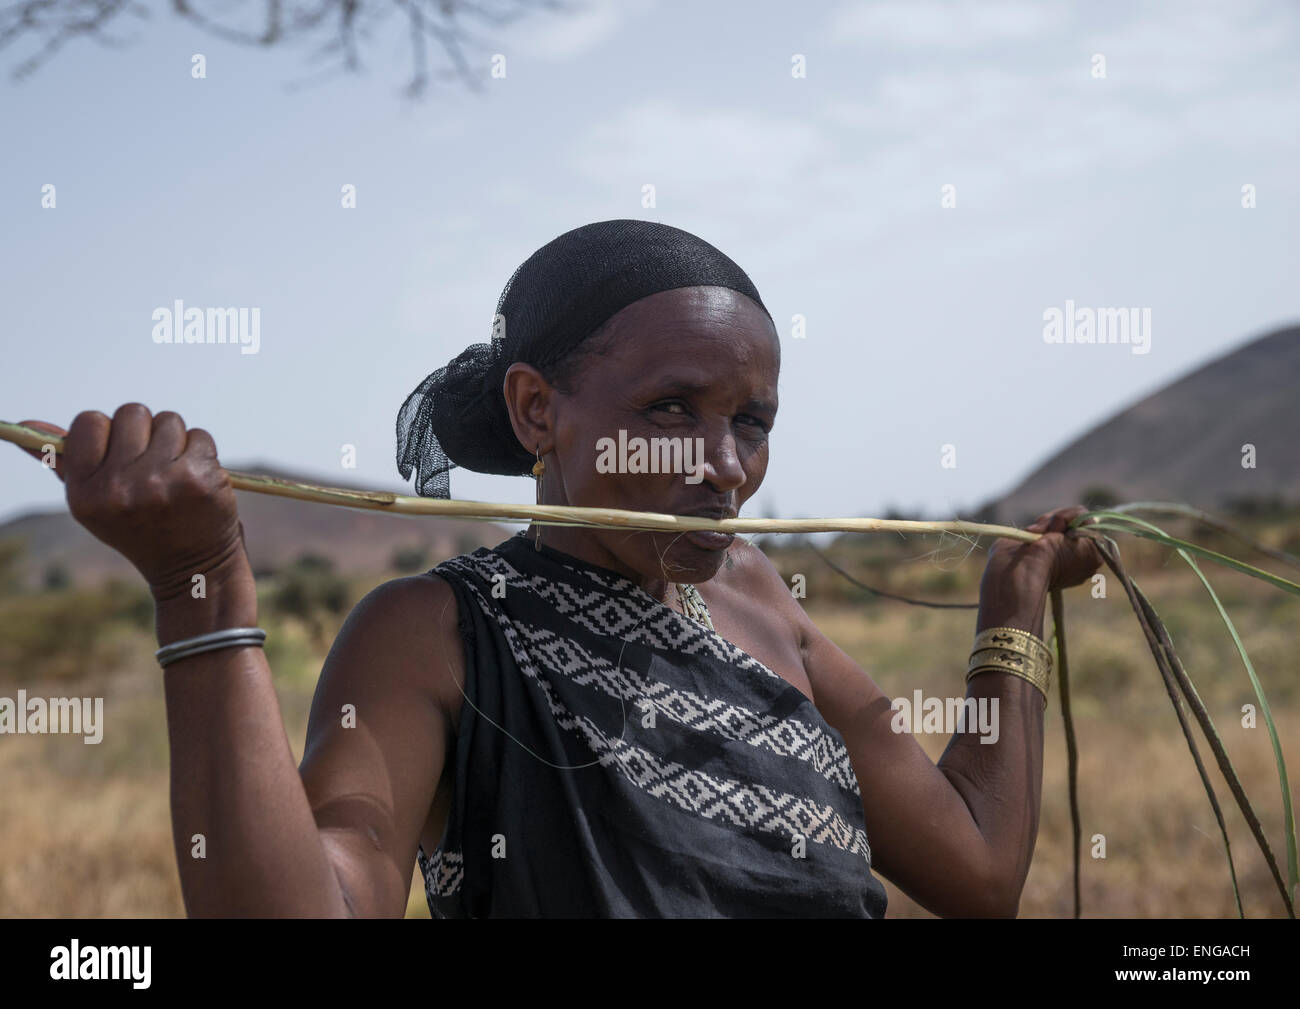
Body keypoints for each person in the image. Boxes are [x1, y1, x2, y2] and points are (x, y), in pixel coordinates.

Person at [16, 220, 1102, 917]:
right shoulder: (434, 633)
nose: (725, 466)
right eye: (670, 409)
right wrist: (200, 584)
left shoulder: (761, 603)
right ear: (539, 409)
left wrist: (1010, 609)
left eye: (753, 422)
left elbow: (974, 867)